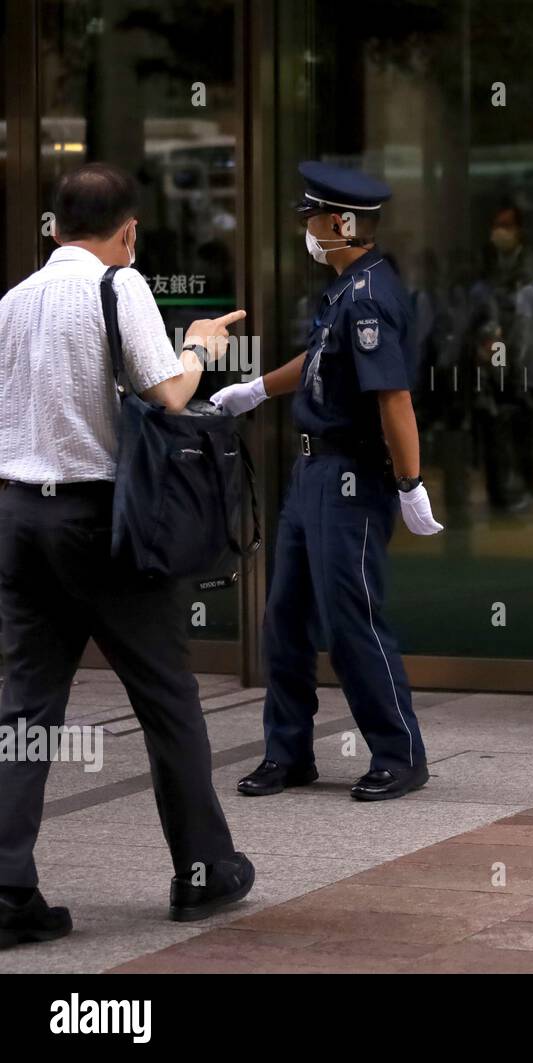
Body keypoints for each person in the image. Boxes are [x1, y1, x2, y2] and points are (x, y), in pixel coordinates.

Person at [0, 162, 254, 946]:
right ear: (129, 231)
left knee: (25, 709)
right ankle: (203, 871)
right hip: (102, 522)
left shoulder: (13, 301)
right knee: (166, 695)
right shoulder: (120, 284)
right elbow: (168, 394)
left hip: (19, 515)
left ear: (53, 227)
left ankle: (9, 892)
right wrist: (201, 345)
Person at [213, 162, 442, 802]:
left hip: (350, 474)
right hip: (313, 470)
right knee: (285, 617)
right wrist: (256, 389)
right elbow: (318, 361)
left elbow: (393, 398)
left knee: (352, 618)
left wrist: (410, 483)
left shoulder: (369, 297)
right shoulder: (345, 287)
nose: (306, 230)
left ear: (339, 224)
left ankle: (399, 754)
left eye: (312, 219)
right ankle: (288, 754)